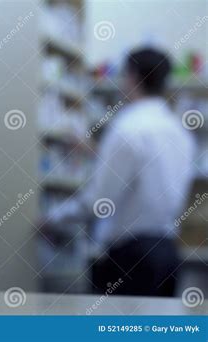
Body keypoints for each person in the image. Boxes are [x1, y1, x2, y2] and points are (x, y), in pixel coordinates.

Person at [46, 47, 195, 297]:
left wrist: (53, 217)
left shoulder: (127, 127)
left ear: (132, 77)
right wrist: (98, 152)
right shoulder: (179, 132)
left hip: (131, 258)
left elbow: (98, 202)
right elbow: (148, 169)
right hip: (168, 253)